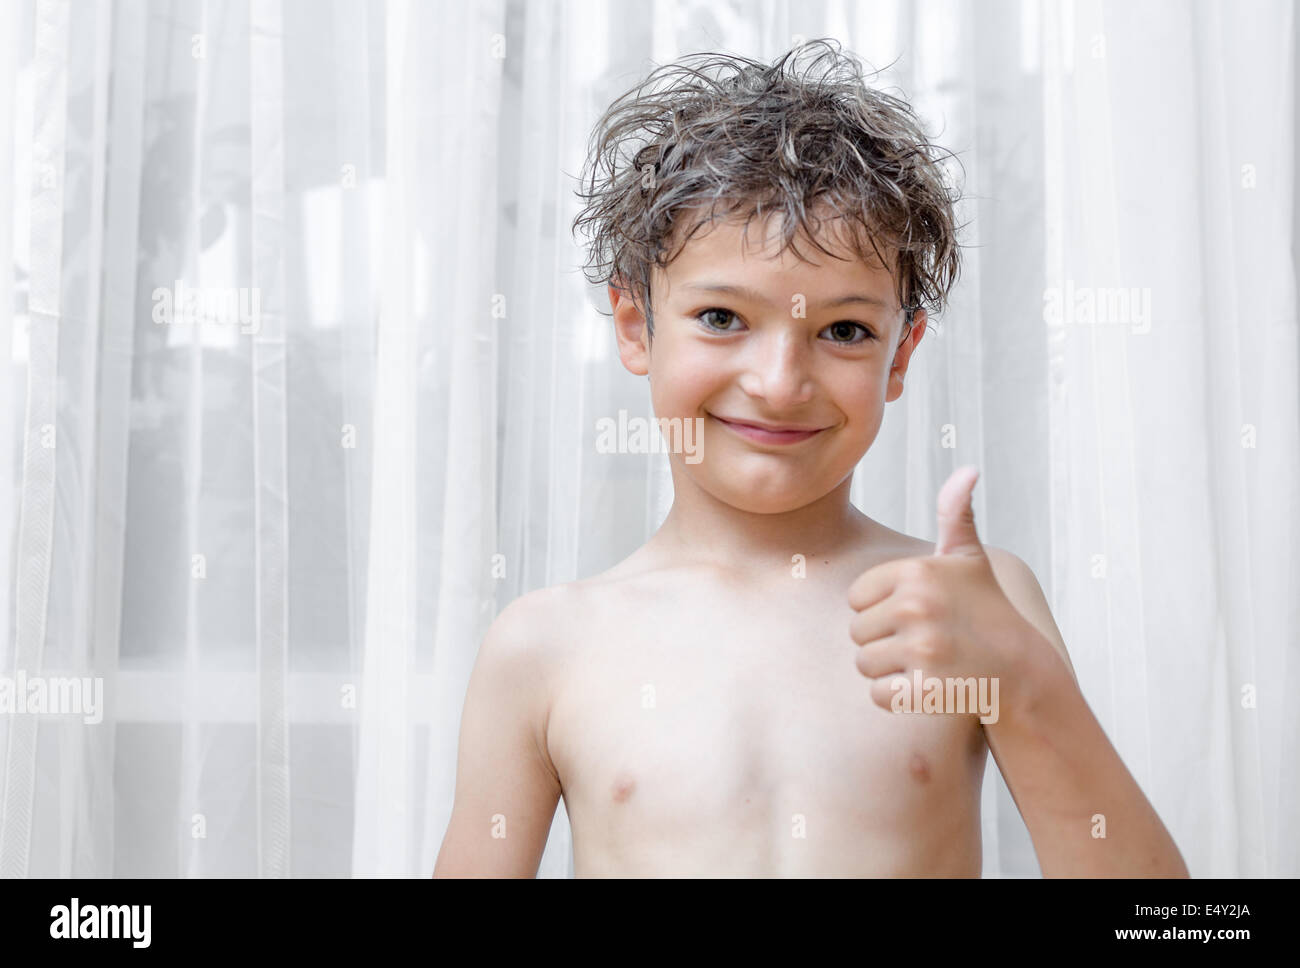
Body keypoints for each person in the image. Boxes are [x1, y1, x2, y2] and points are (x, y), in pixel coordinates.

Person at [434, 39, 1188, 877]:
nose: (780, 382)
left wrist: (1021, 678)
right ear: (635, 325)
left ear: (899, 357)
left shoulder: (972, 606)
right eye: (722, 318)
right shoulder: (544, 646)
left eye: (843, 331)